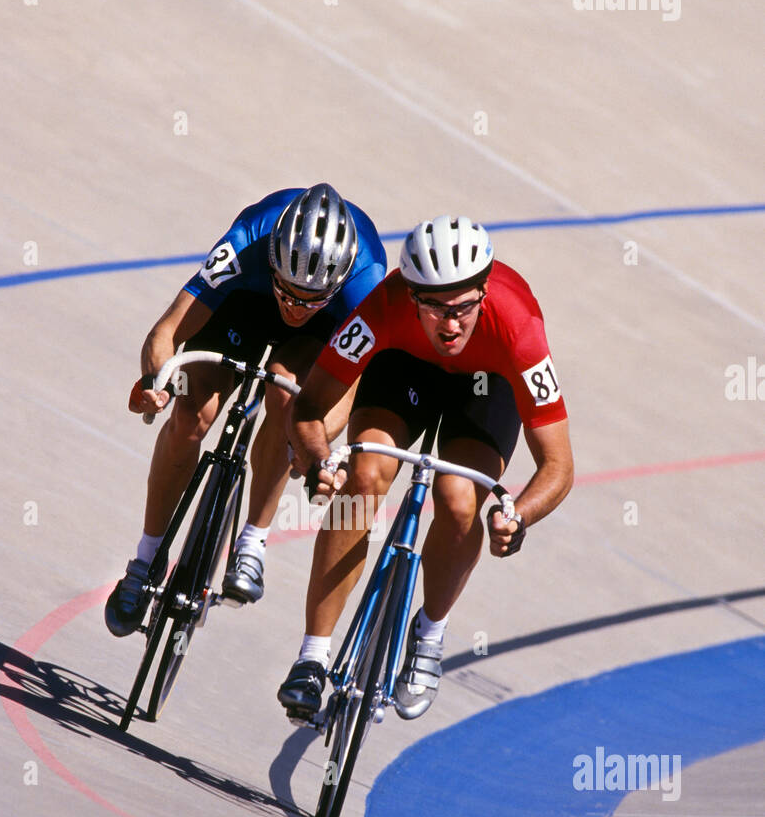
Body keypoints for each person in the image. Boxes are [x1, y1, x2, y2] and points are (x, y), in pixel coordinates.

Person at [278, 214, 573, 719]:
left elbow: (558, 464)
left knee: (460, 500)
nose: (451, 323)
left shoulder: (519, 325)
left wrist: (518, 515)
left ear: (483, 290)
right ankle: (312, 656)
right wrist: (317, 457)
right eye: (435, 308)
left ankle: (429, 633)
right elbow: (309, 407)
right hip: (404, 368)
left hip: (485, 386)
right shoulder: (385, 306)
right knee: (365, 476)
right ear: (412, 295)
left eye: (462, 307)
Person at [105, 184, 387, 636]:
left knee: (290, 397)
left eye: (308, 298)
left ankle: (253, 539)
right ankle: (144, 560)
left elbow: (352, 386)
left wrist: (313, 448)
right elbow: (167, 331)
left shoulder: (368, 282)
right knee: (190, 414)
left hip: (320, 335)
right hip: (245, 304)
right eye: (289, 291)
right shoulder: (247, 240)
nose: (295, 307)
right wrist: (157, 383)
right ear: (274, 258)